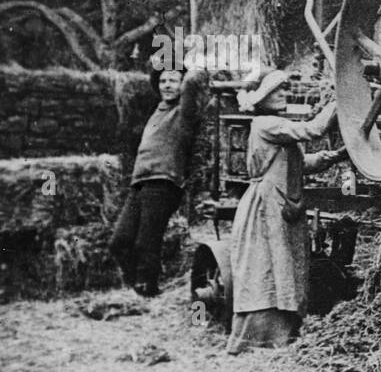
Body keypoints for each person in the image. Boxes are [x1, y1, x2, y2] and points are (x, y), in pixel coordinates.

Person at [226, 71, 345, 354]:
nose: (283, 94)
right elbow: (314, 129)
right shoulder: (266, 124)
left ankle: (281, 337)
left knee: (283, 266)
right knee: (266, 265)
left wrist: (335, 156)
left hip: (283, 205)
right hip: (267, 206)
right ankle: (256, 339)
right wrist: (343, 97)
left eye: (284, 89)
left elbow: (302, 164)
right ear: (261, 99)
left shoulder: (277, 128)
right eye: (275, 91)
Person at [109, 64, 208, 297]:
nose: (167, 85)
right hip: (140, 182)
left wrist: (193, 62)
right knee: (119, 242)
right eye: (163, 81)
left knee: (147, 242)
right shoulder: (157, 111)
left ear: (182, 85)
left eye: (173, 80)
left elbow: (193, 83)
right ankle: (136, 289)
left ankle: (148, 289)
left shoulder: (184, 112)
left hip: (164, 182)